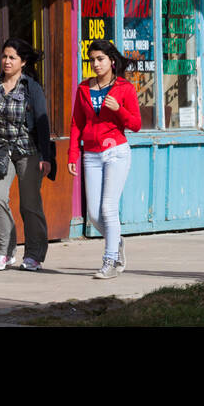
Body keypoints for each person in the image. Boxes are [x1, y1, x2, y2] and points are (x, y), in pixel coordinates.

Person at [0, 37, 55, 271]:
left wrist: (46, 157)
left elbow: (42, 124)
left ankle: (34, 254)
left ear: (23, 62)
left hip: (29, 152)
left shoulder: (31, 87)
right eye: (4, 56)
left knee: (29, 204)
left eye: (12, 58)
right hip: (1, 152)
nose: (6, 61)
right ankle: (5, 251)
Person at [68, 39, 141, 280]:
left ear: (112, 61)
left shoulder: (124, 88)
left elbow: (136, 125)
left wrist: (118, 109)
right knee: (94, 215)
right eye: (92, 60)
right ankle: (116, 240)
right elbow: (77, 123)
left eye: (100, 59)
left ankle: (110, 261)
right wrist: (72, 154)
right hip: (91, 154)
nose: (96, 64)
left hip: (116, 152)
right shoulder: (83, 88)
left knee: (108, 209)